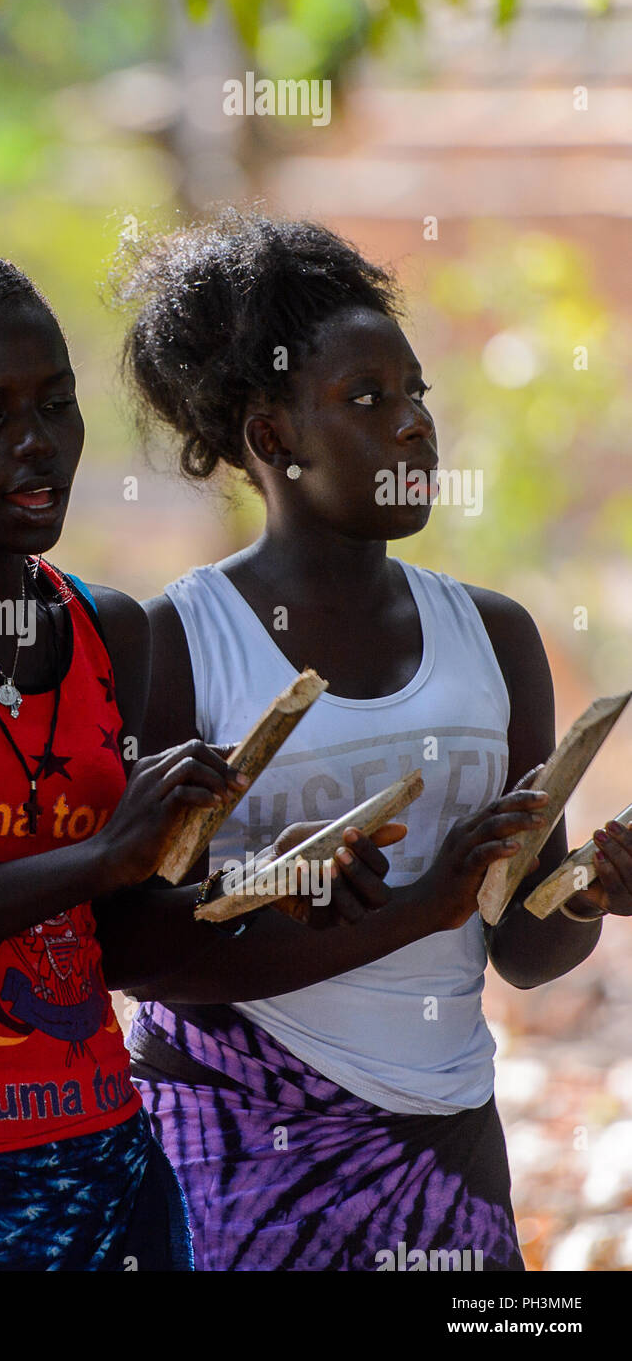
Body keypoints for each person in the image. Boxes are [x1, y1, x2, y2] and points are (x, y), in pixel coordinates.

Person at [0, 217, 398, 1271]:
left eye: (56, 401)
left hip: (100, 1169)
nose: (38, 443)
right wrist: (98, 855)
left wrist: (270, 885)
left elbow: (122, 939)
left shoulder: (110, 628)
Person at [113, 209, 632, 1271]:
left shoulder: (491, 639)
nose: (413, 428)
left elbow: (522, 949)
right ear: (271, 437)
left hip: (443, 1146)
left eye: (415, 396)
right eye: (366, 399)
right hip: (234, 1150)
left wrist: (586, 888)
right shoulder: (178, 643)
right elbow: (137, 950)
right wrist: (403, 910)